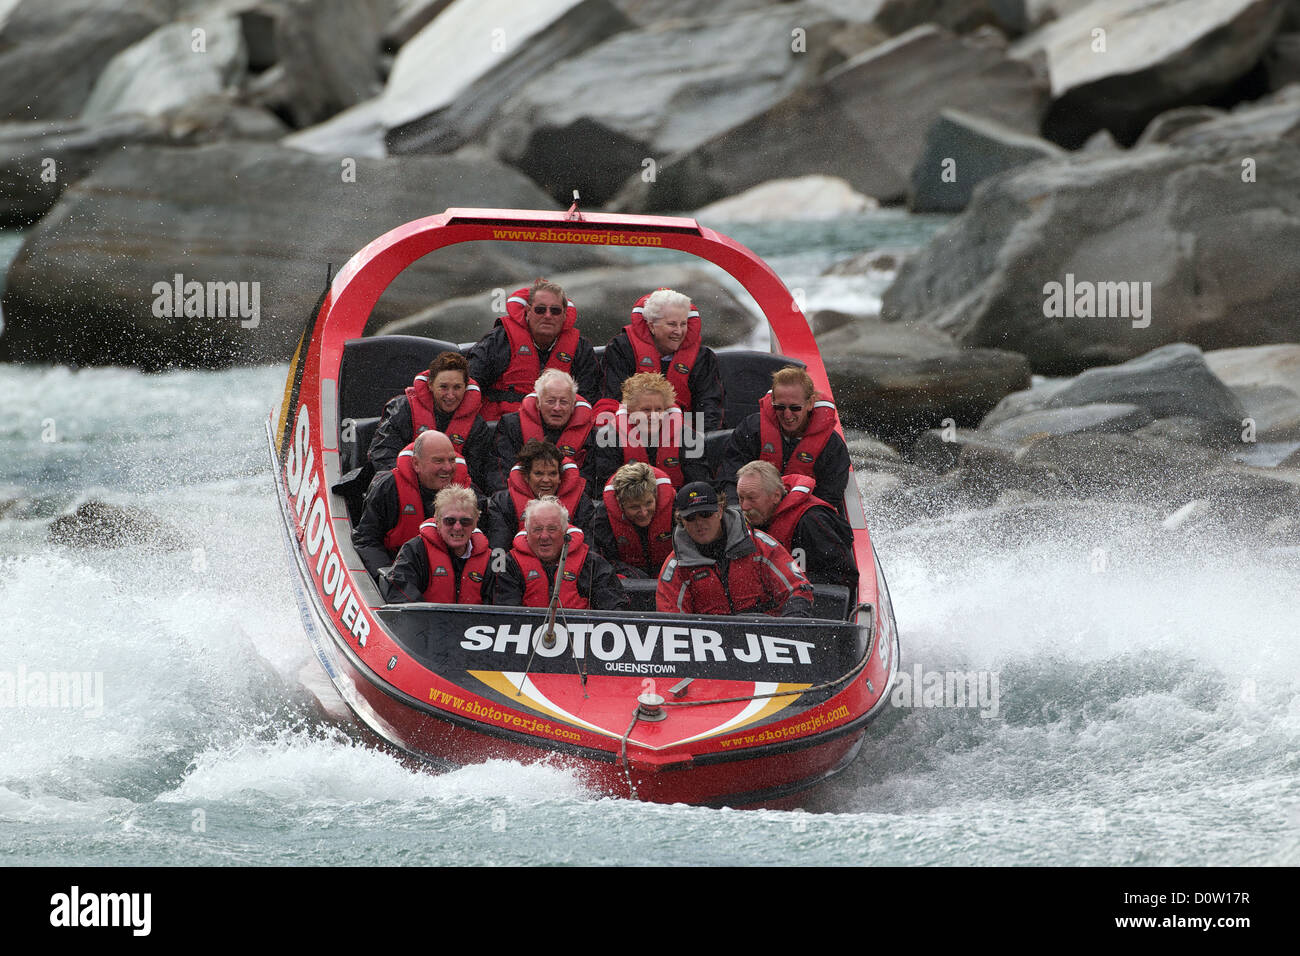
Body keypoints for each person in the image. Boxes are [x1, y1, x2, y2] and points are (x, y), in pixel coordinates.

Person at [657, 482, 813, 617]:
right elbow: (671, 621)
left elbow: (798, 588)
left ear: (719, 511)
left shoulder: (761, 545)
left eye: (706, 514)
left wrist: (792, 625)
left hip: (769, 637)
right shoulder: (676, 567)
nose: (699, 523)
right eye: (691, 518)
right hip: (707, 645)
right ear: (681, 520)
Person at [467, 278, 601, 421]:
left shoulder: (581, 349)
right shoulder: (498, 340)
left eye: (555, 311)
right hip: (502, 429)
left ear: (564, 315)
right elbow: (471, 386)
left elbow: (588, 399)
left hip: (557, 432)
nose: (548, 316)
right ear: (528, 312)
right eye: (540, 310)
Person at [718, 365, 850, 510]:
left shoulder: (832, 446)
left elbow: (829, 497)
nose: (787, 415)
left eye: (795, 408)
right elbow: (730, 477)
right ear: (772, 401)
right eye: (780, 407)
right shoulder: (751, 429)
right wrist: (735, 509)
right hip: (750, 511)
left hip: (800, 517)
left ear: (810, 403)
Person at [352, 430, 476, 579]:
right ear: (416, 464)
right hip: (399, 576)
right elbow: (366, 539)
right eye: (439, 461)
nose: (448, 468)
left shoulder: (467, 491)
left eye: (451, 460)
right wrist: (387, 578)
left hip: (452, 578)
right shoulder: (388, 488)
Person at [602, 288, 724, 432]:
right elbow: (614, 399)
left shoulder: (703, 357)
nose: (679, 331)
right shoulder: (621, 349)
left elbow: (709, 405)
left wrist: (702, 441)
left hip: (686, 437)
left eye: (683, 324)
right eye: (672, 324)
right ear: (651, 325)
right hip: (633, 433)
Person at [366, 351, 492, 488]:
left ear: (465, 388)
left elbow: (477, 473)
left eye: (457, 387)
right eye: (443, 387)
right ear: (430, 385)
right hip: (406, 486)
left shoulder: (477, 426)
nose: (450, 395)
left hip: (452, 494)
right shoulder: (402, 409)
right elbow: (383, 455)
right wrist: (417, 481)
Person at [735, 460, 857, 591]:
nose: (744, 506)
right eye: (741, 498)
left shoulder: (811, 522)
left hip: (803, 598)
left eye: (752, 499)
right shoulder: (740, 522)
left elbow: (844, 576)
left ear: (776, 496)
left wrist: (789, 581)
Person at [586, 371, 712, 494]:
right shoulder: (609, 439)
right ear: (630, 411)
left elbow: (699, 486)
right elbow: (607, 490)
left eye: (658, 409)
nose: (653, 416)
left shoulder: (689, 439)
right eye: (646, 410)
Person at [493, 497, 628, 610]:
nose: (544, 536)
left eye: (552, 529)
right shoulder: (509, 565)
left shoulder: (592, 563)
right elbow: (506, 615)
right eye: (537, 529)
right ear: (527, 533)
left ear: (565, 532)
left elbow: (614, 610)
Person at [380, 486, 495, 604]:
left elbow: (499, 602)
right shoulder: (416, 549)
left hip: (476, 622)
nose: (457, 527)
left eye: (465, 521)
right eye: (449, 521)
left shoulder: (491, 559)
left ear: (475, 522)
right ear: (437, 521)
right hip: (426, 620)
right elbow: (399, 589)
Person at [490, 368, 597, 492]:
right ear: (538, 403)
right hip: (521, 498)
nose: (557, 408)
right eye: (550, 401)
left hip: (570, 502)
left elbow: (589, 480)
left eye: (564, 402)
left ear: (573, 406)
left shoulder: (589, 434)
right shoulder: (511, 426)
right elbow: (500, 475)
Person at [485, 438, 593, 551]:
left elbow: (589, 549)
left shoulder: (581, 502)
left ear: (560, 477)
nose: (546, 480)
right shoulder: (503, 503)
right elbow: (499, 548)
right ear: (526, 477)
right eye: (538, 473)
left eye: (552, 473)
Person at [591, 462, 676, 578]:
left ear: (655, 496)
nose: (644, 512)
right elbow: (601, 561)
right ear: (620, 505)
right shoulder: (603, 518)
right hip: (629, 577)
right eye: (634, 507)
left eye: (648, 503)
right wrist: (633, 575)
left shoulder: (675, 507)